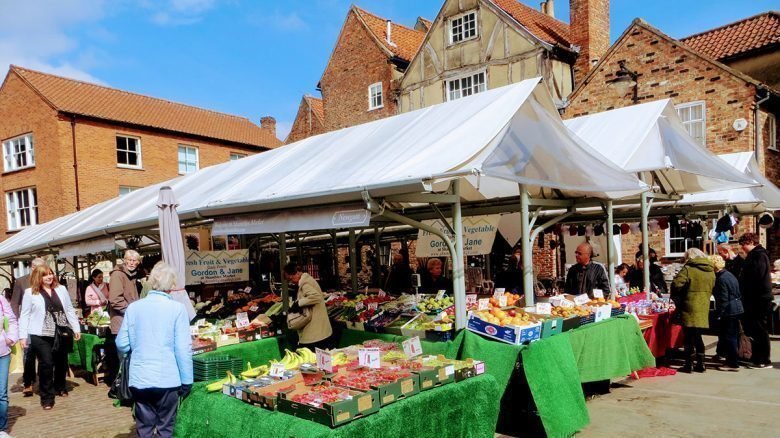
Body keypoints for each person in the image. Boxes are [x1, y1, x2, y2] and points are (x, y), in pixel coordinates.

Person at [116, 262, 192, 438]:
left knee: (144, 427)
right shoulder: (177, 309)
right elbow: (183, 349)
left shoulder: (134, 307)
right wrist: (187, 379)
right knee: (166, 427)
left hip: (140, 377)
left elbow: (121, 343)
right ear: (172, 285)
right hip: (168, 378)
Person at [19, 265, 81, 409]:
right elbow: (25, 315)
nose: (49, 277)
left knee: (61, 361)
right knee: (46, 363)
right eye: (45, 275)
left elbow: (69, 309)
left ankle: (60, 386)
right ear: (38, 277)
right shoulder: (30, 293)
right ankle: (47, 396)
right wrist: (22, 336)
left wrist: (75, 327)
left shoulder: (61, 289)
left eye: (51, 274)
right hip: (39, 333)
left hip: (60, 330)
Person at [671, 248, 715, 373]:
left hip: (689, 305)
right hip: (703, 304)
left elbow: (677, 284)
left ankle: (688, 364)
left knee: (689, 336)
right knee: (697, 335)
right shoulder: (710, 269)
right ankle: (701, 364)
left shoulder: (688, 269)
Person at [11, 257, 46, 397]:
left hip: (44, 323)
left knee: (45, 354)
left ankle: (45, 382)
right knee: (29, 354)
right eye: (41, 268)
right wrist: (18, 320)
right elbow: (14, 303)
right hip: (28, 324)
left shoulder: (45, 280)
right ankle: (28, 382)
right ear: (33, 267)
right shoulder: (21, 282)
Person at [738, 232, 773, 369]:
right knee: (755, 330)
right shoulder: (756, 255)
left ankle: (763, 359)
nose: (742, 248)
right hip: (755, 299)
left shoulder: (758, 256)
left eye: (743, 245)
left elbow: (756, 279)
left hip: (758, 300)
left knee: (759, 330)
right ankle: (758, 357)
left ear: (751, 242)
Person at [106, 250, 141, 385]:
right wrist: (132, 311)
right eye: (129, 260)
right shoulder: (118, 275)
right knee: (124, 357)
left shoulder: (132, 275)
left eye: (135, 260)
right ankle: (122, 388)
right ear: (124, 260)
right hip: (121, 322)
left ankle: (128, 386)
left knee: (129, 357)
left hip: (130, 321)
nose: (132, 263)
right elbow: (115, 300)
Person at [283, 262, 334, 350]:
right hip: (319, 330)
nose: (291, 281)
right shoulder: (307, 280)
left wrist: (298, 303)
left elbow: (316, 297)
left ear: (297, 273)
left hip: (316, 332)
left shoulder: (305, 283)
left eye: (290, 278)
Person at [709, 254, 743, 370]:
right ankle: (731, 358)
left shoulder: (721, 278)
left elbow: (723, 298)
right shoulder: (729, 275)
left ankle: (732, 363)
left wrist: (720, 313)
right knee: (732, 336)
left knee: (730, 337)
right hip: (736, 307)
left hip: (729, 310)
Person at [0, 293, 18, 435]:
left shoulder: (0, 299)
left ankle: (2, 428)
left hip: (2, 353)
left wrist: (10, 338)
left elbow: (11, 319)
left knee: (2, 393)